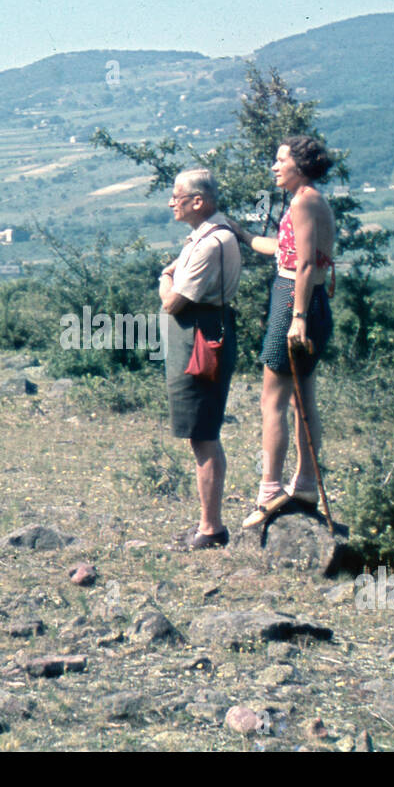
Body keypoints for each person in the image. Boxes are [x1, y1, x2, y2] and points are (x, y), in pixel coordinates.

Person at [227, 137, 336, 528]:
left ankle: (269, 490)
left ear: (300, 165)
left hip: (294, 299)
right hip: (312, 299)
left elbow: (303, 265)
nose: (274, 167)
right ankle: (304, 484)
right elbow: (284, 248)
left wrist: (298, 317)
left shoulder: (303, 202)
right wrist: (242, 234)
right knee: (302, 399)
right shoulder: (312, 200)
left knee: (272, 400)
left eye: (281, 160)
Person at [159, 168, 242, 549]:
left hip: (199, 340)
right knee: (201, 432)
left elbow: (173, 302)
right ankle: (208, 524)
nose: (171, 203)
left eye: (177, 196)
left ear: (198, 201)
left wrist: (164, 278)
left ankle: (211, 528)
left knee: (203, 434)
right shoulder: (209, 236)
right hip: (201, 334)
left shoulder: (209, 244)